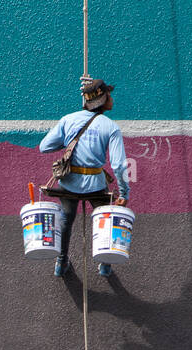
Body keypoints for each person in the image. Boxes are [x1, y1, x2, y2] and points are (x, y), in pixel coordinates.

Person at [38, 77, 131, 278]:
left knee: (66, 219)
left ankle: (61, 262)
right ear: (103, 99)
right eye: (110, 95)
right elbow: (118, 165)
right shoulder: (111, 127)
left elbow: (44, 146)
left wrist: (68, 144)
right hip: (95, 185)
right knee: (106, 220)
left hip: (69, 183)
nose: (112, 99)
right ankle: (105, 265)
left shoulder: (67, 120)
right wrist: (124, 192)